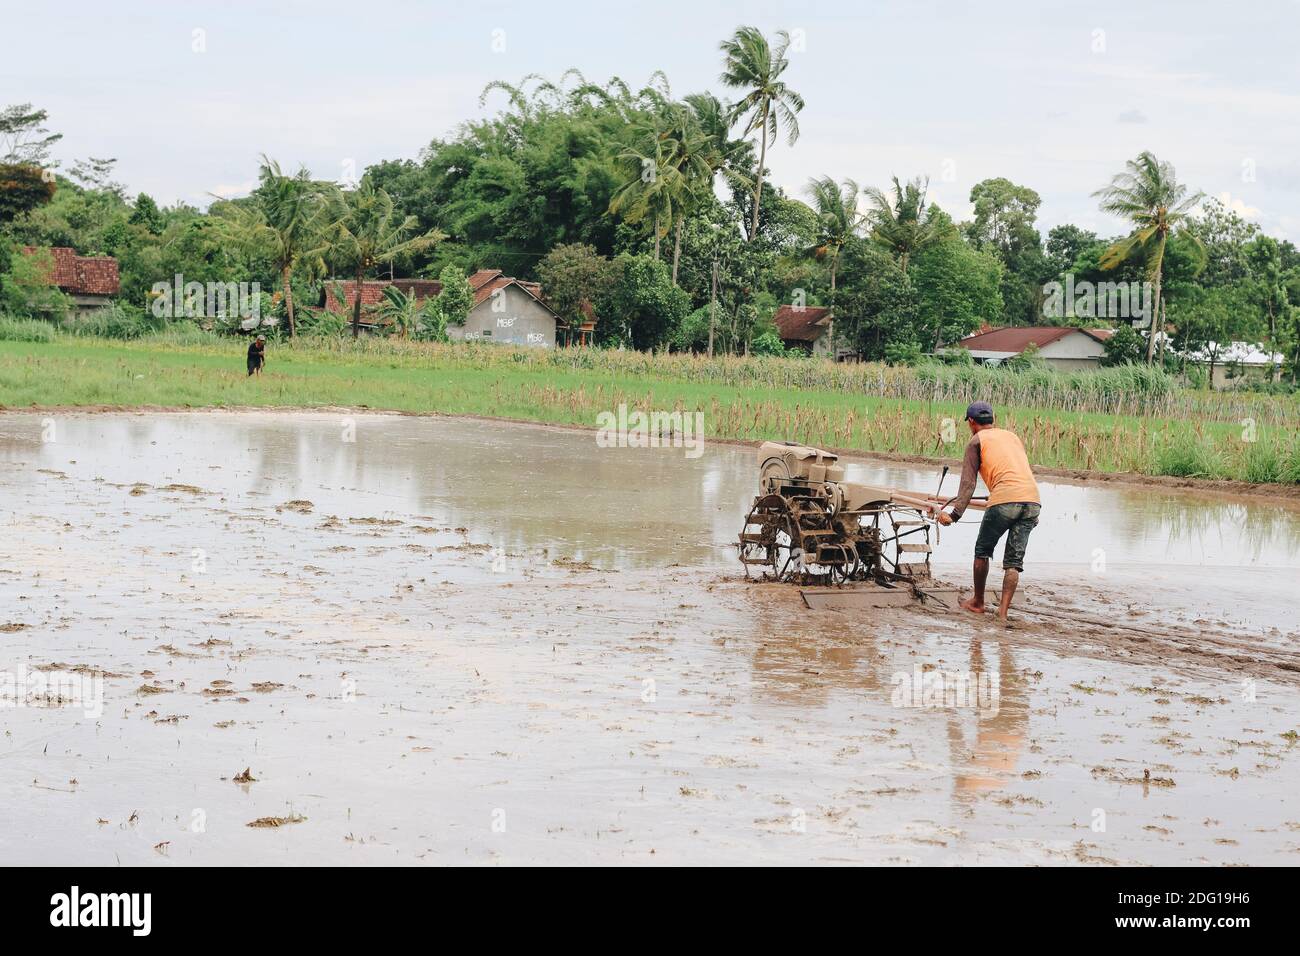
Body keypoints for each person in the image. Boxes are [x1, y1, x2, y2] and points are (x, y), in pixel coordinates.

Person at [937, 401, 1040, 623]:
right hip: (1032, 500)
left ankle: (978, 602)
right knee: (1013, 562)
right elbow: (1022, 471)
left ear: (971, 423)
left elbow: (968, 484)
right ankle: (1002, 614)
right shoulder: (1012, 436)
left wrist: (953, 515)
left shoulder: (976, 441)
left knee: (982, 551)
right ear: (993, 419)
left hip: (1004, 499)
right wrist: (1032, 512)